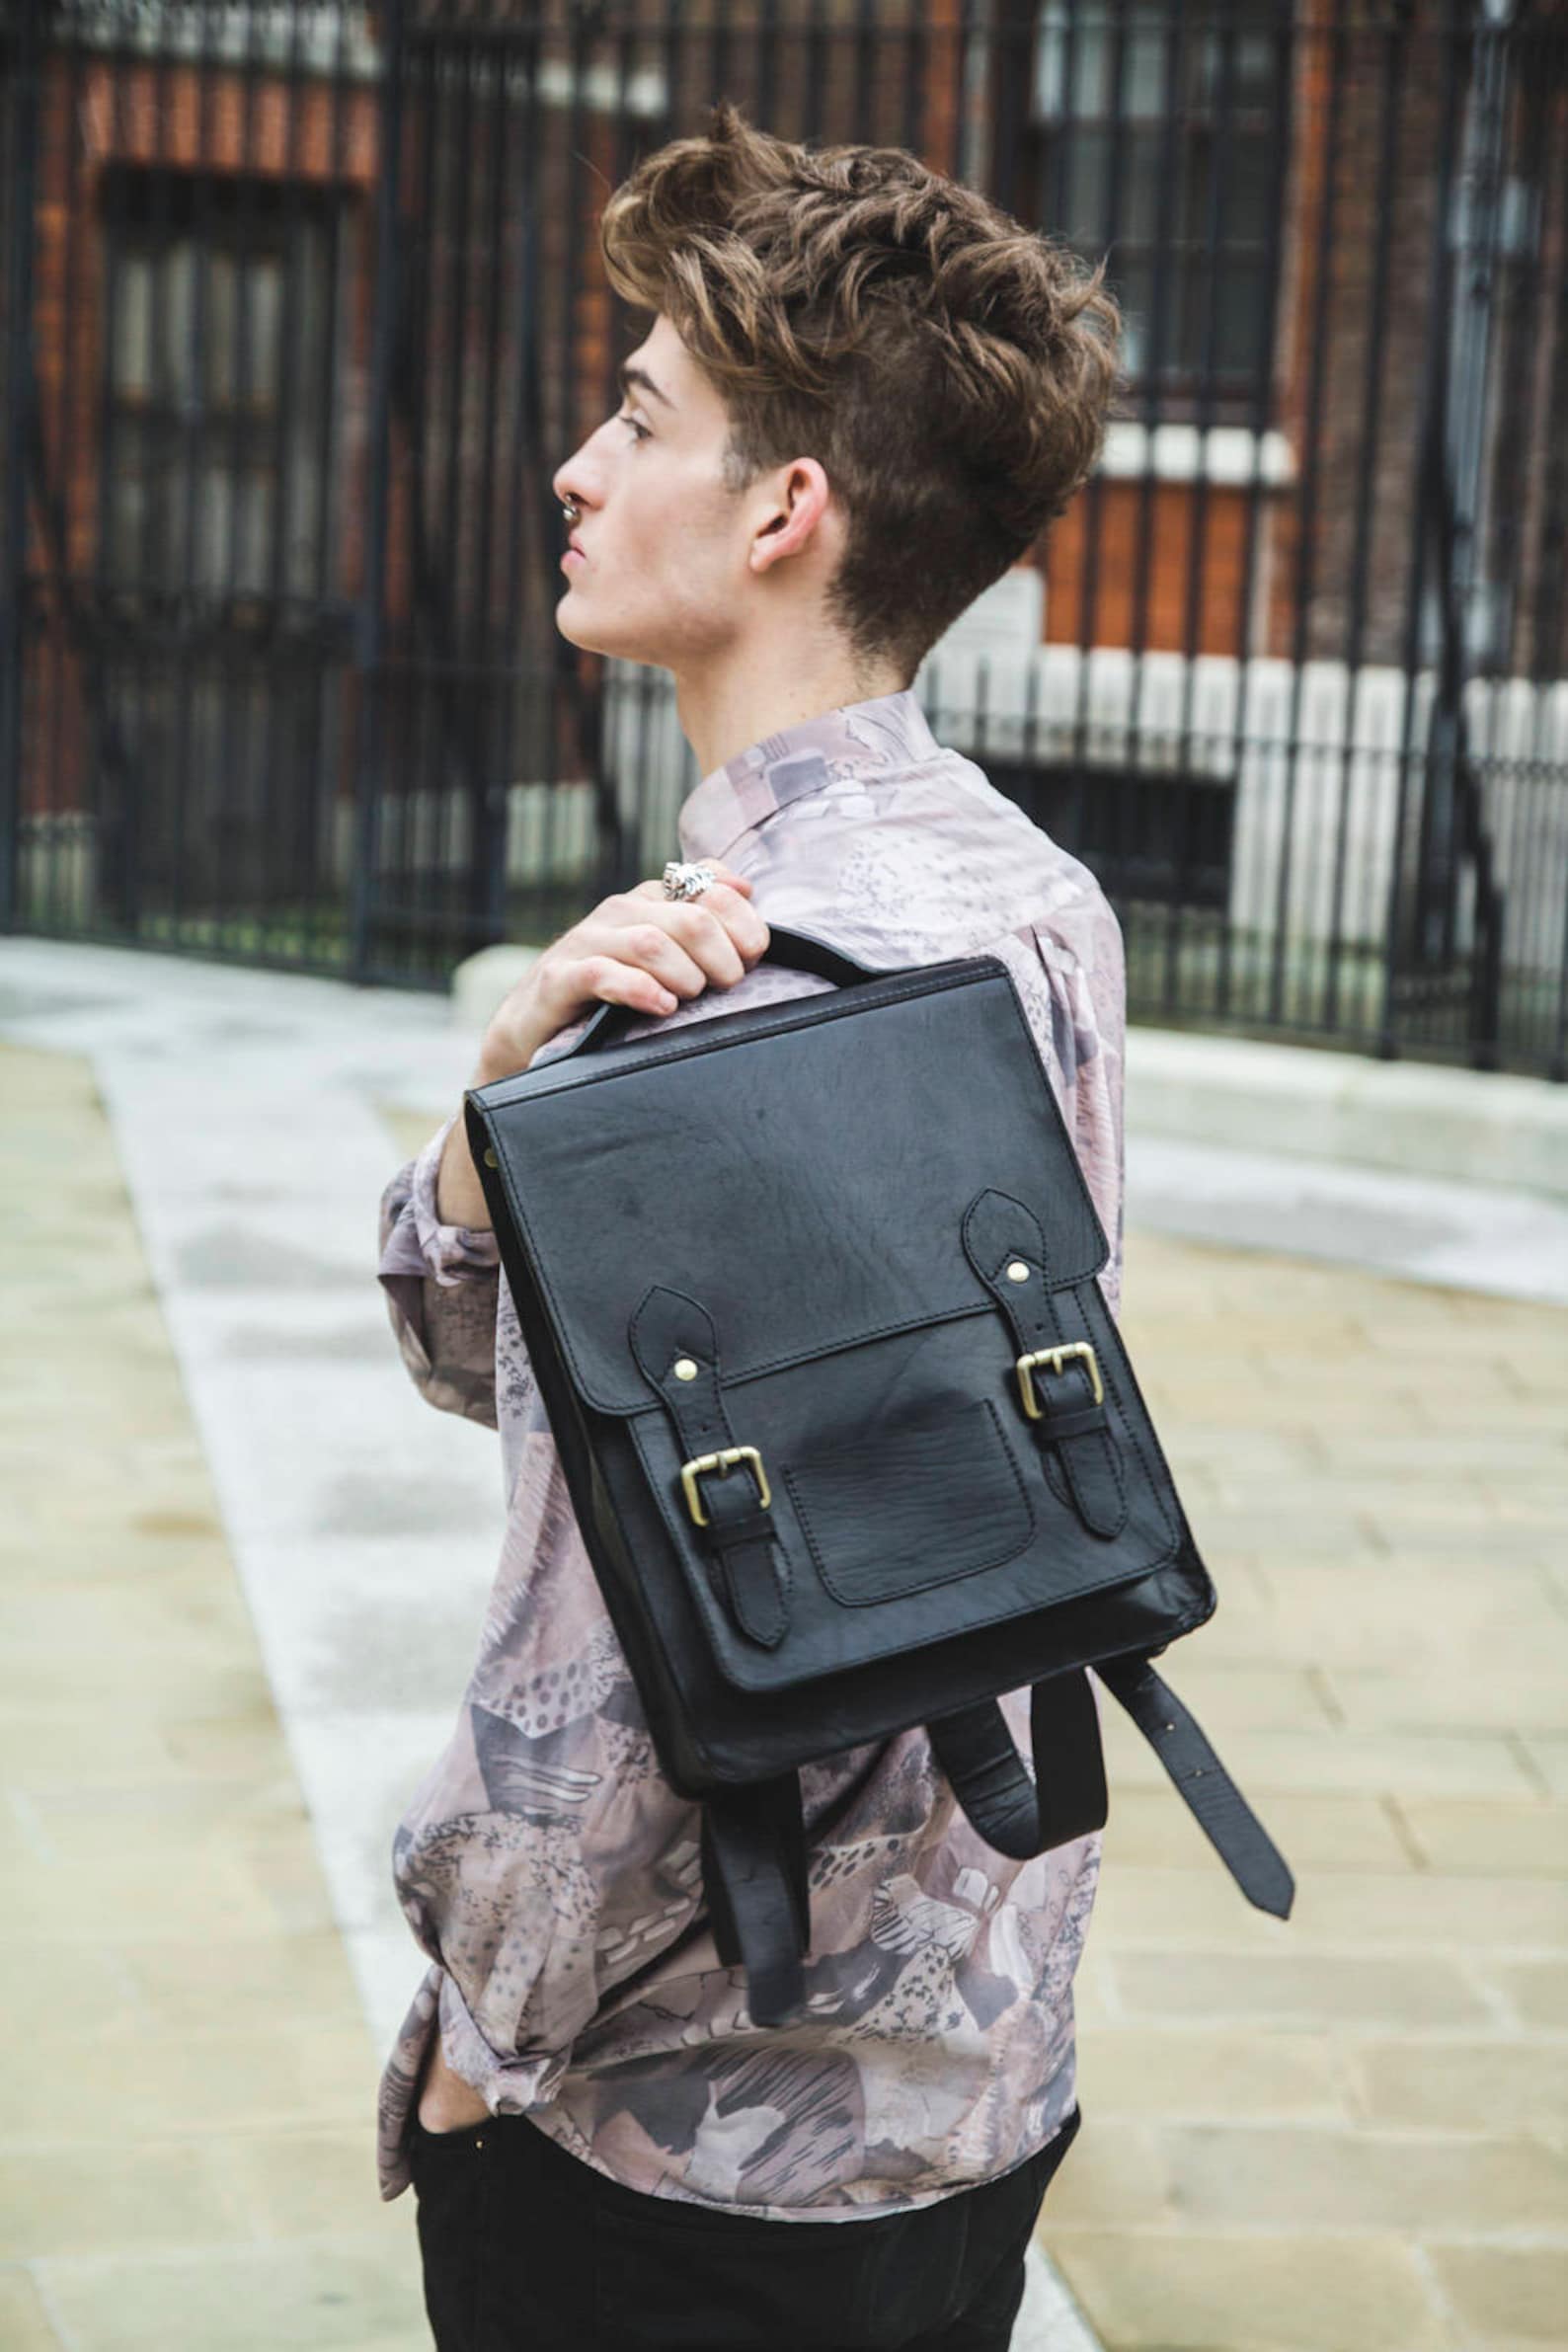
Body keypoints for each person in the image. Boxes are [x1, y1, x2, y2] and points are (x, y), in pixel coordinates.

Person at [374, 97, 1124, 2352]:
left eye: (635, 417)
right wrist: (501, 1118)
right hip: (982, 2058)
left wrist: (479, 2037)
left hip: (692, 2143)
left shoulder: (715, 989)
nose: (575, 468)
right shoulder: (1028, 895)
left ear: (787, 509)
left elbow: (597, 1675)